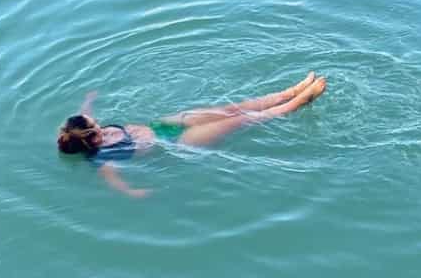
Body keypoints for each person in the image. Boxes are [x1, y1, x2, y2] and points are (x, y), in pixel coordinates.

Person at [57, 73, 327, 198]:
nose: (101, 124)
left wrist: (88, 101)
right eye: (96, 124)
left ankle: (288, 93)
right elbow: (117, 184)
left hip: (164, 124)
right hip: (173, 142)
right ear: (91, 138)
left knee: (230, 109)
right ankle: (300, 102)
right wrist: (136, 192)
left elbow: (82, 114)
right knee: (240, 120)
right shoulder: (102, 160)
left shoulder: (85, 130)